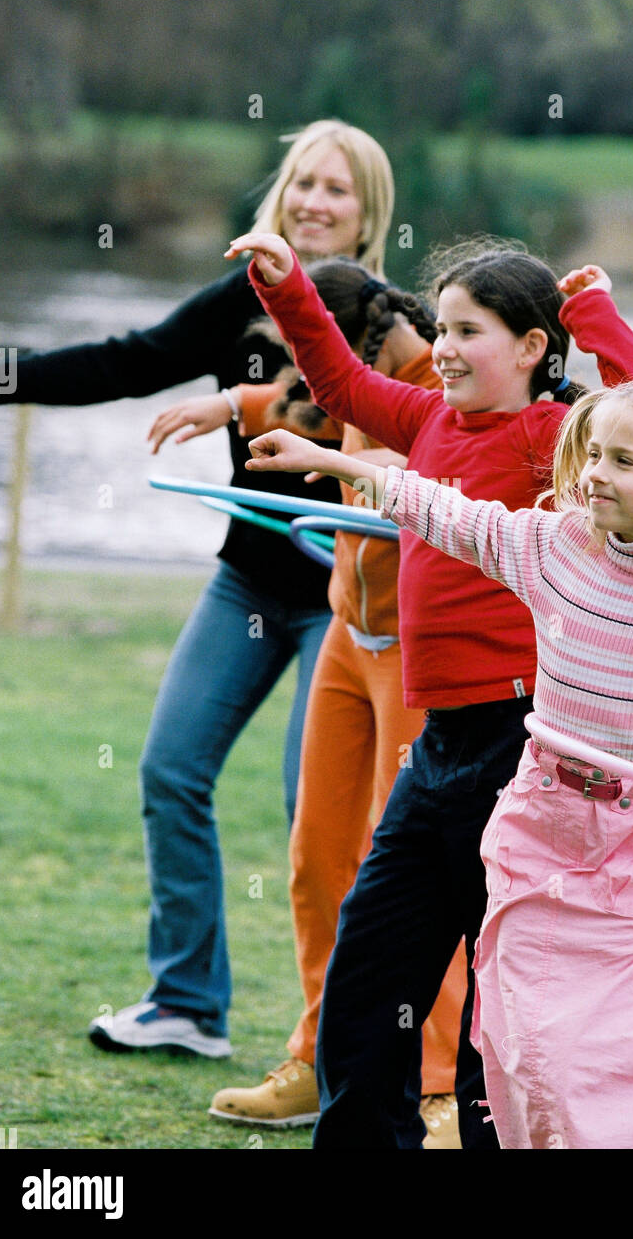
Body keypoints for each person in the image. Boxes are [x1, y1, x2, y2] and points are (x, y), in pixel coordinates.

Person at [250, 378, 633, 1148]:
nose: (593, 472)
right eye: (593, 452)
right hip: (535, 823)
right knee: (517, 1042)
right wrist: (344, 466)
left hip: (629, 847)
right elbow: (452, 516)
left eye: (622, 461)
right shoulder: (555, 545)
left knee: (596, 1052)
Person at [0, 120, 395, 1058]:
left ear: (369, 213)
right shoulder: (241, 299)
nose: (314, 202)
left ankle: (345, 1041)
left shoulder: (388, 320)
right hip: (249, 579)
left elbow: (428, 427)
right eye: (302, 183)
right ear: (280, 196)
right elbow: (118, 362)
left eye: (337, 189)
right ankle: (188, 1004)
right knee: (169, 770)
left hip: (348, 598)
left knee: (316, 821)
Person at [224, 227, 633, 1147]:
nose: (445, 350)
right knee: (371, 970)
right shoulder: (427, 422)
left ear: (533, 349)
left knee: (499, 1000)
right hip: (440, 746)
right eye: (443, 330)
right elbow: (338, 385)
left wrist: (597, 316)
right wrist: (287, 285)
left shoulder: (556, 439)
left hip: (521, 743)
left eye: (469, 333)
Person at [158, 258, 470, 1144]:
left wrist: (325, 447)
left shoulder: (438, 392)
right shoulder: (345, 379)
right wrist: (230, 404)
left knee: (407, 876)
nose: (299, 376)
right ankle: (320, 1054)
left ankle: (437, 1082)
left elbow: (404, 459)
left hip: (416, 654)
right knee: (317, 859)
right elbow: (297, 401)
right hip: (346, 634)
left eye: (308, 352)